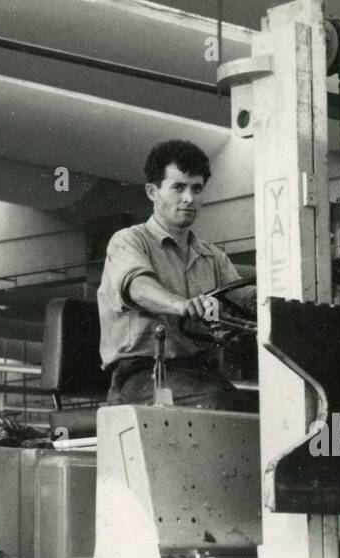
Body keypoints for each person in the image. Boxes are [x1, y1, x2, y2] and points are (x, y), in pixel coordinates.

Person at [98, 139, 256, 410]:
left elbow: (244, 300)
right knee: (220, 404)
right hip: (143, 375)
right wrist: (182, 305)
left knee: (262, 412)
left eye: (197, 188)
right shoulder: (129, 241)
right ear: (152, 191)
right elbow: (138, 287)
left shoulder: (212, 256)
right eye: (178, 187)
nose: (189, 198)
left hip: (201, 373)